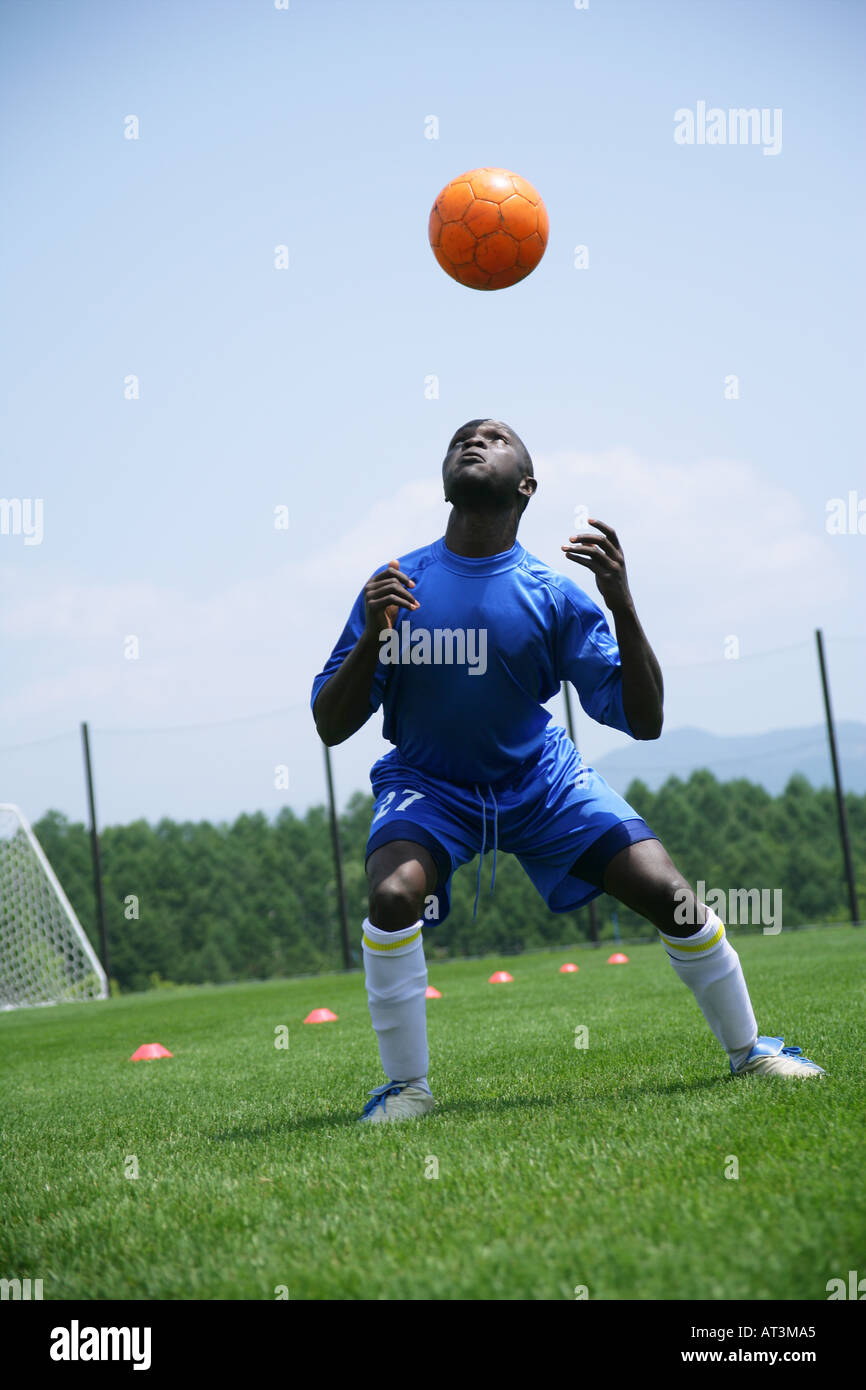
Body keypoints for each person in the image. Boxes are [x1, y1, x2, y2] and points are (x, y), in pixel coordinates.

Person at [311, 419, 824, 1122]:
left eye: (494, 438)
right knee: (396, 896)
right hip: (429, 787)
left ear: (527, 485)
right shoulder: (397, 585)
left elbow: (643, 721)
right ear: (443, 483)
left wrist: (620, 599)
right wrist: (373, 636)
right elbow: (331, 724)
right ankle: (408, 1091)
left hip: (542, 785)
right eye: (462, 438)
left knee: (671, 895)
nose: (473, 440)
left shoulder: (555, 596)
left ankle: (751, 1051)